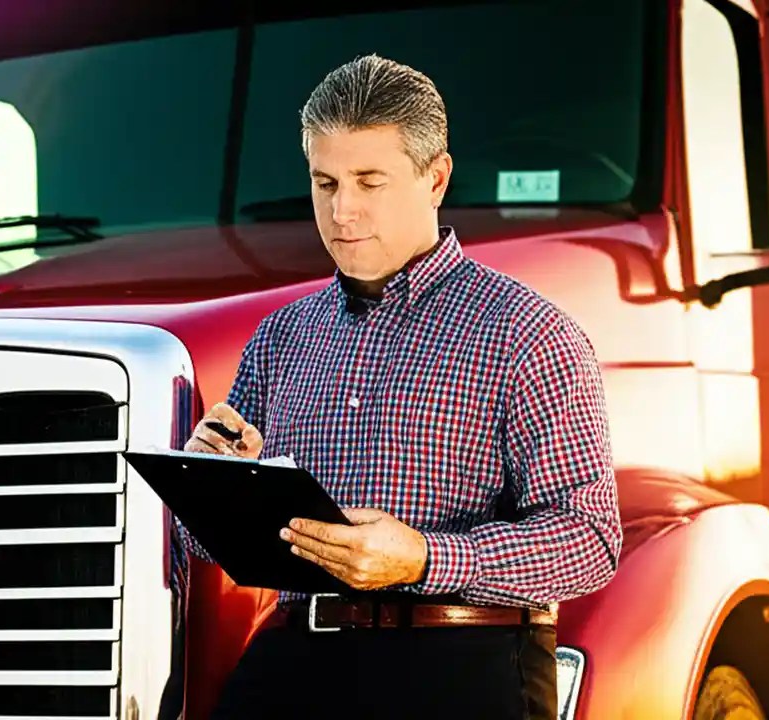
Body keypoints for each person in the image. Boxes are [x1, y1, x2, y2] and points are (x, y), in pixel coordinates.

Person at [177, 53, 622, 720]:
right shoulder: (281, 338)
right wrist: (208, 490)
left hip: (460, 666)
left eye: (369, 181)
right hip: (294, 662)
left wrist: (421, 557)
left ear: (435, 178)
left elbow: (590, 541)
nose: (342, 210)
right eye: (325, 182)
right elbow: (211, 543)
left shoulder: (530, 333)